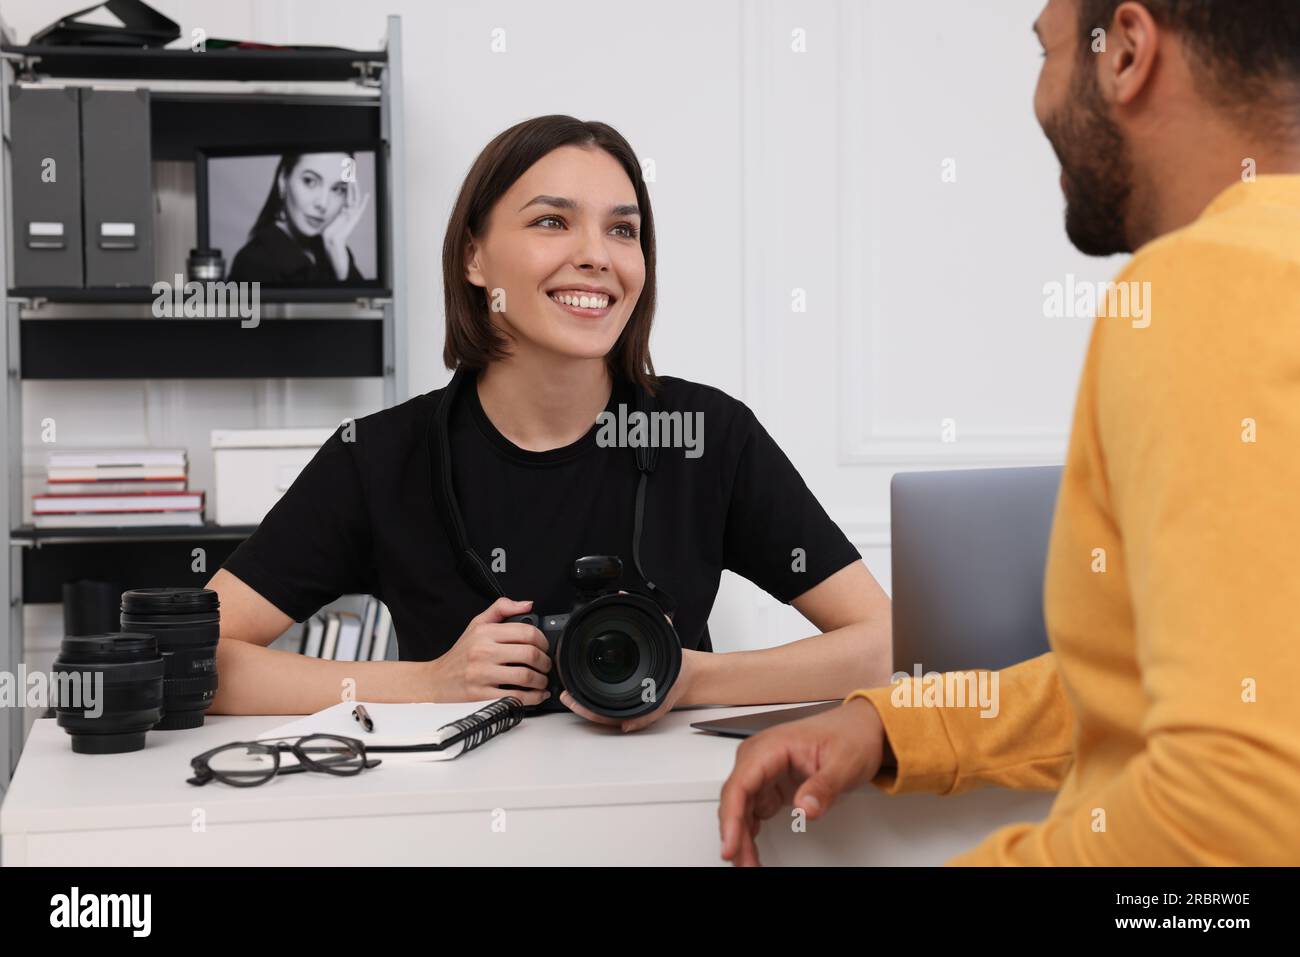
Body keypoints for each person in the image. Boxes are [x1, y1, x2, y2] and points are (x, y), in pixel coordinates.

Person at [720, 0, 1300, 865]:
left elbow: (1233, 811)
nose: (1037, 96)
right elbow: (1189, 682)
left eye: (1046, 49)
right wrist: (895, 723)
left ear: (1127, 53)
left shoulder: (1207, 283)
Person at [205, 115, 893, 732]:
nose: (597, 254)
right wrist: (430, 682)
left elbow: (886, 640)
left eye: (622, 229)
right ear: (474, 258)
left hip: (672, 816)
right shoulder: (381, 457)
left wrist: (693, 679)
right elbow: (197, 661)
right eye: (552, 221)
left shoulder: (706, 433)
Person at [227, 151, 370, 284]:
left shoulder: (336, 250)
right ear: (283, 181)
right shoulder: (254, 262)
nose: (323, 203)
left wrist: (340, 262)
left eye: (338, 189)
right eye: (309, 181)